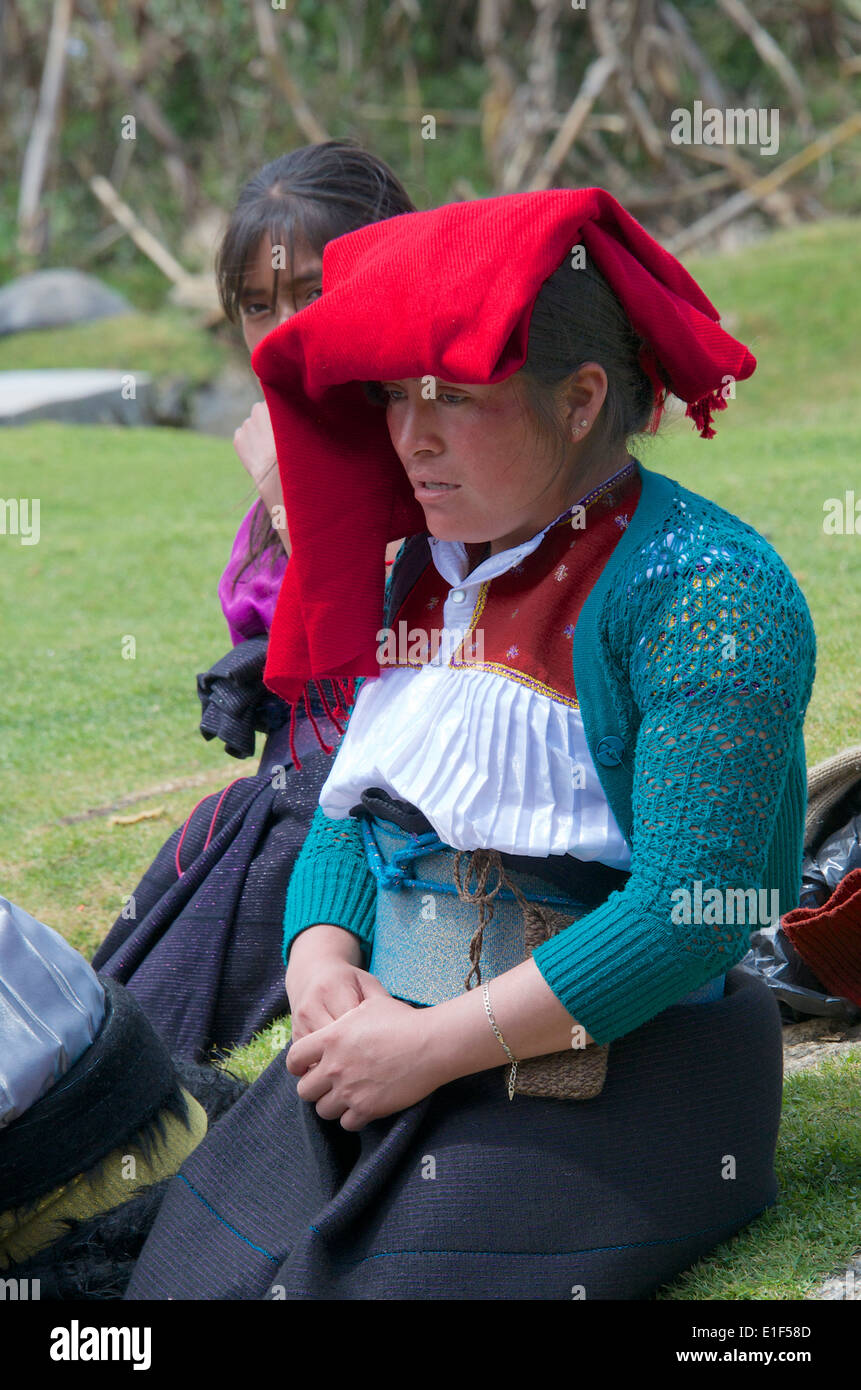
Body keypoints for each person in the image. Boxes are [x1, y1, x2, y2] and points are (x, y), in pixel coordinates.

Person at [125, 187, 817, 1301]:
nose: (411, 436)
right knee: (186, 1279)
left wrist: (436, 1046)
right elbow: (363, 808)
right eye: (398, 396)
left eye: (453, 397)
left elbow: (698, 907)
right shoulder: (426, 572)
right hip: (391, 1030)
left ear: (583, 397)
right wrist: (321, 963)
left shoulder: (708, 592)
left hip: (614, 1061)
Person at [92, 141, 415, 1060]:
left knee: (259, 850)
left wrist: (287, 490)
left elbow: (397, 633)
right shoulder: (291, 436)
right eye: (257, 305)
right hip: (298, 780)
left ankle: (124, 1086)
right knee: (161, 910)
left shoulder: (429, 430)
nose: (281, 331)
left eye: (313, 294)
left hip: (382, 797)